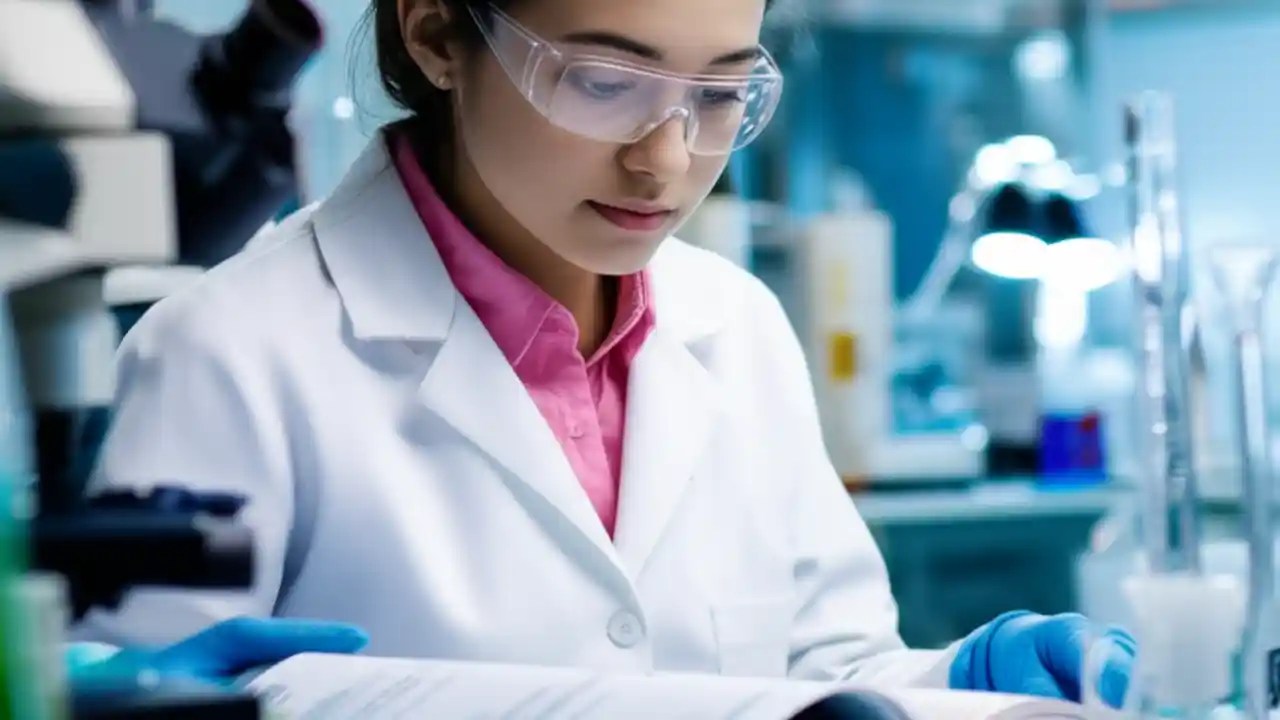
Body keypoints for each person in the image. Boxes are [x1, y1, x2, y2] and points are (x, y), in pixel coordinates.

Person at [69, 0, 1134, 706]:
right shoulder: (228, 352)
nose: (665, 159)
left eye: (718, 96)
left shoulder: (738, 324)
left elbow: (820, 676)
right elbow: (158, 696)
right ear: (435, 34)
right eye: (603, 82)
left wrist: (959, 680)